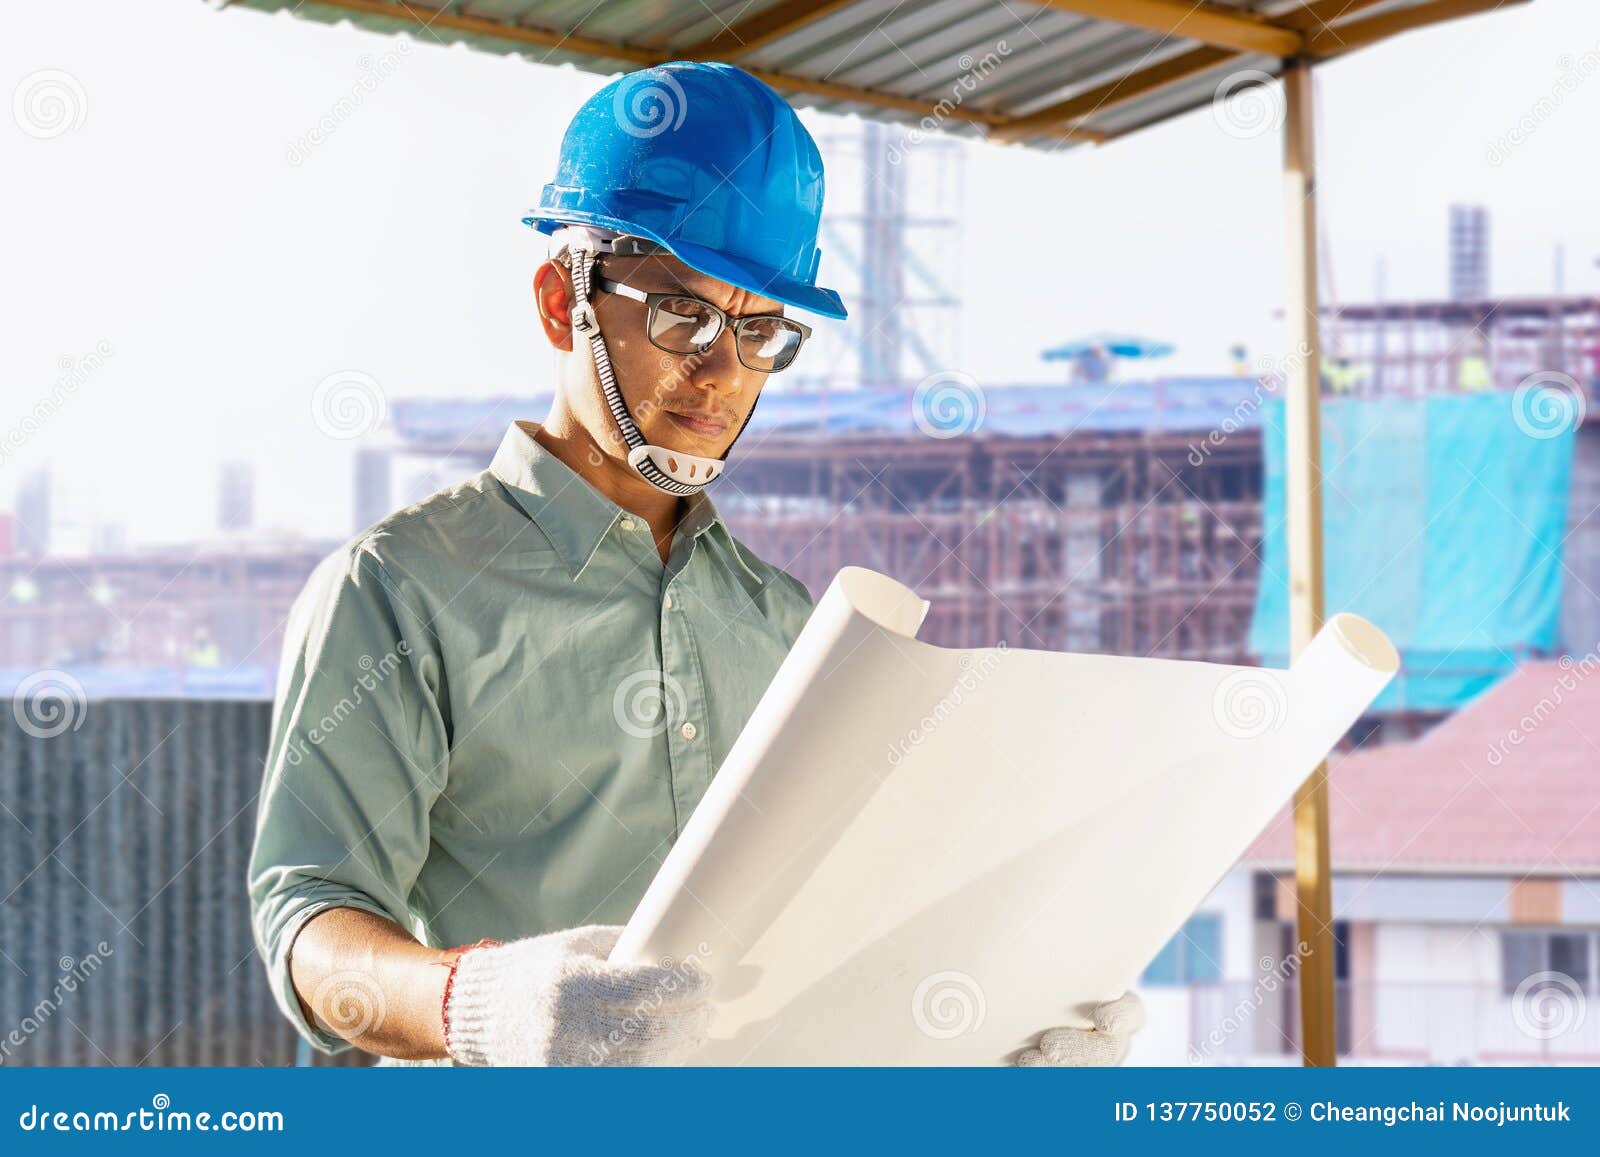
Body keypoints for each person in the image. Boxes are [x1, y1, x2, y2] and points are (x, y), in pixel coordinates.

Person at [248, 60, 1143, 1068]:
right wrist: (481, 1002)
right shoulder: (401, 589)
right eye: (683, 314)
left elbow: (846, 928)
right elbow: (311, 926)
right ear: (561, 303)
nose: (720, 370)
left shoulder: (789, 623)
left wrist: (994, 1015)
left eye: (759, 329)